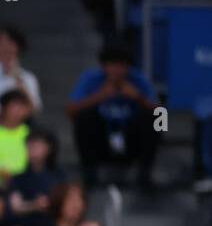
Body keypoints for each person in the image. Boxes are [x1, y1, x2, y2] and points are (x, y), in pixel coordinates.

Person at [67, 45, 159, 188]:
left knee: (152, 117)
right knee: (84, 117)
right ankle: (89, 174)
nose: (117, 70)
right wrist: (99, 96)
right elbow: (70, 112)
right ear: (103, 66)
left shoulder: (139, 79)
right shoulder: (91, 78)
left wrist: (139, 98)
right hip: (101, 140)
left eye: (122, 66)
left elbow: (163, 119)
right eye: (112, 65)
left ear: (129, 67)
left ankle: (144, 174)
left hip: (131, 141)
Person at [0, 89, 34, 188]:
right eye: (14, 106)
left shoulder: (30, 134)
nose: (17, 111)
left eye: (21, 107)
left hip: (26, 185)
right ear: (3, 109)